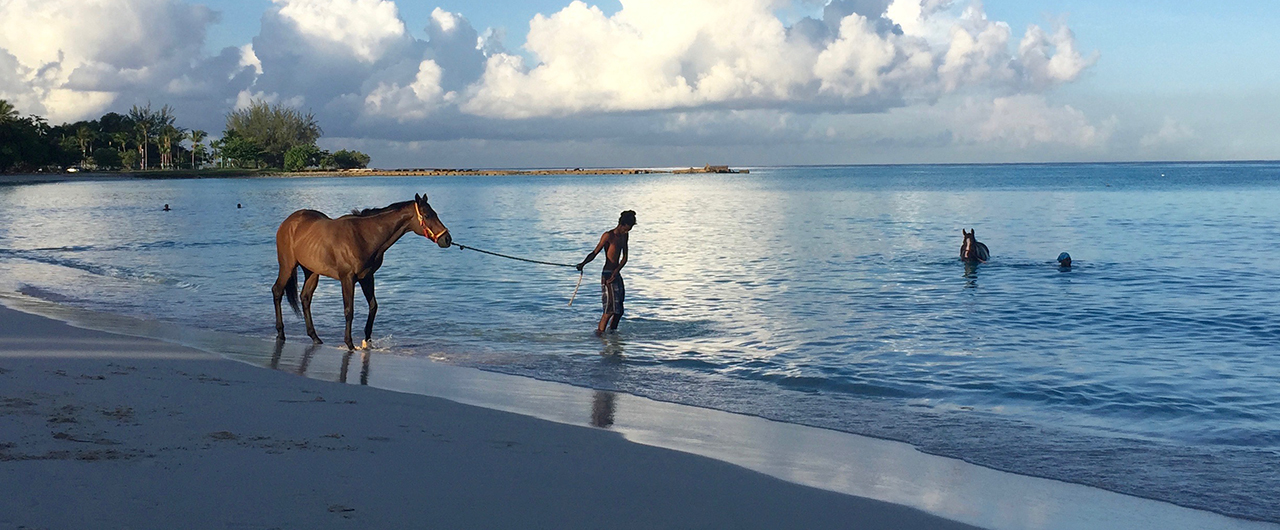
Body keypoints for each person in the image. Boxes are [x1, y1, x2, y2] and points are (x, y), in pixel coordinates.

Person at [577, 210, 636, 335]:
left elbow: (625, 258)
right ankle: (599, 336)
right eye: (626, 229)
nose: (627, 232)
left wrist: (616, 271)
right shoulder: (608, 236)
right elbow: (594, 253)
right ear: (621, 224)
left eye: (629, 230)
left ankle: (613, 335)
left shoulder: (625, 236)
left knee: (619, 311)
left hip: (616, 274)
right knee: (609, 311)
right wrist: (583, 264)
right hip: (607, 275)